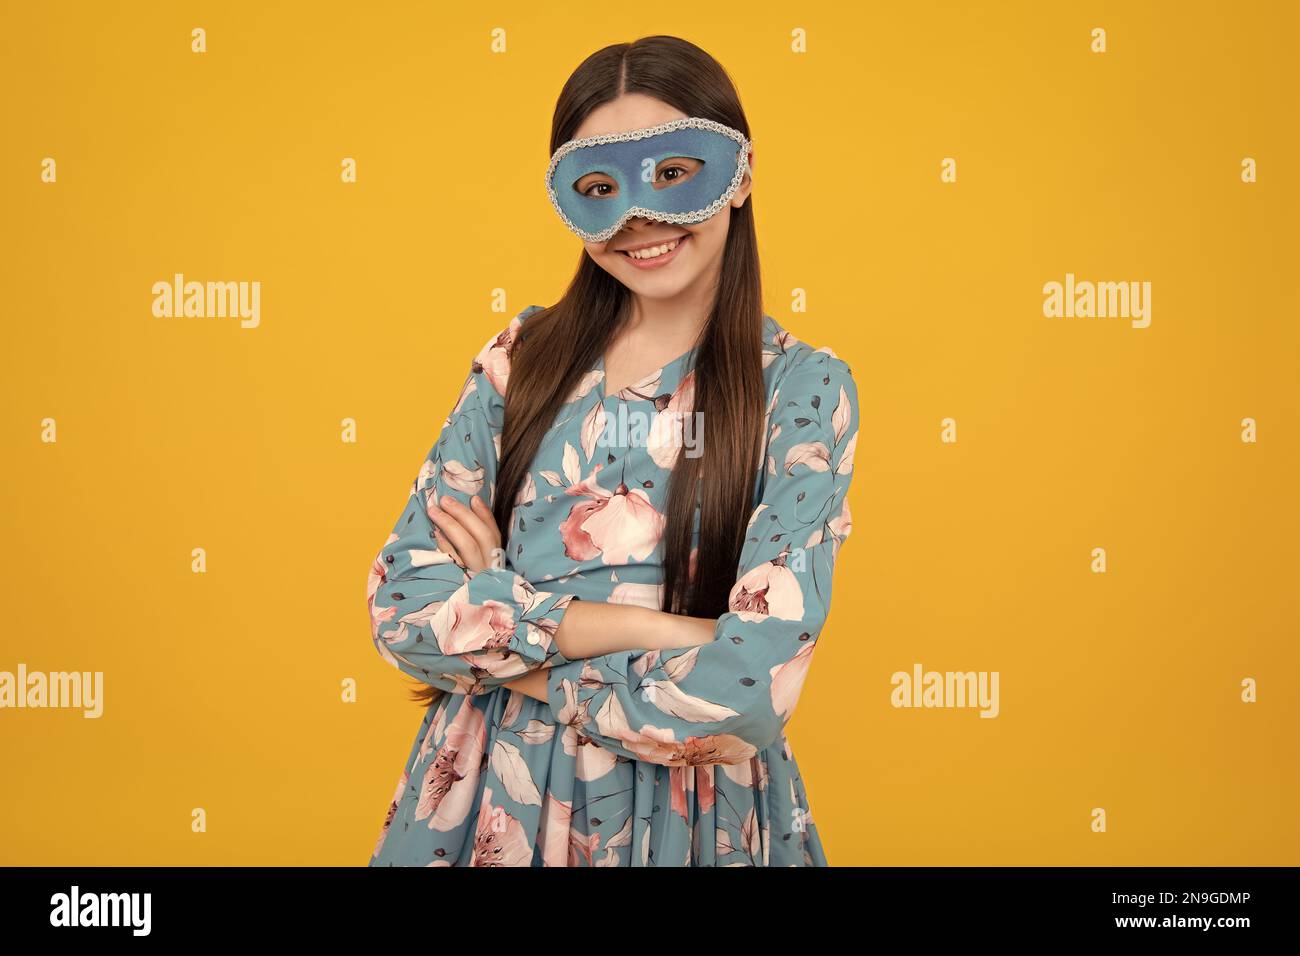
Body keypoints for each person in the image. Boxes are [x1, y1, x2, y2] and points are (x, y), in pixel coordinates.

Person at [366, 34, 860, 866]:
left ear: (738, 175)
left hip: (695, 816)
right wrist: (668, 629)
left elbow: (747, 690)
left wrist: (504, 622)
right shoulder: (519, 363)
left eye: (674, 174)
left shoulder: (804, 392)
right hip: (490, 800)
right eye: (601, 187)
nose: (639, 216)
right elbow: (402, 608)